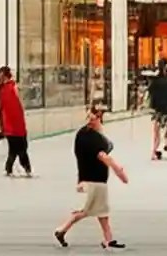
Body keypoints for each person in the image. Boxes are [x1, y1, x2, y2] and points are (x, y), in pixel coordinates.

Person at [55, 104, 127, 250]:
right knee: (84, 211)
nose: (92, 120)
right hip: (93, 181)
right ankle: (62, 229)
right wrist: (119, 171)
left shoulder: (83, 134)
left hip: (90, 179)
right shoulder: (93, 138)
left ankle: (108, 239)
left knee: (102, 212)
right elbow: (104, 157)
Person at [0, 66, 32, 177]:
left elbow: (2, 109)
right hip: (16, 124)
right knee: (21, 148)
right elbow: (20, 102)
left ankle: (9, 169)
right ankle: (25, 168)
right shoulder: (12, 87)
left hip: (10, 125)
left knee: (14, 149)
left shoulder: (2, 90)